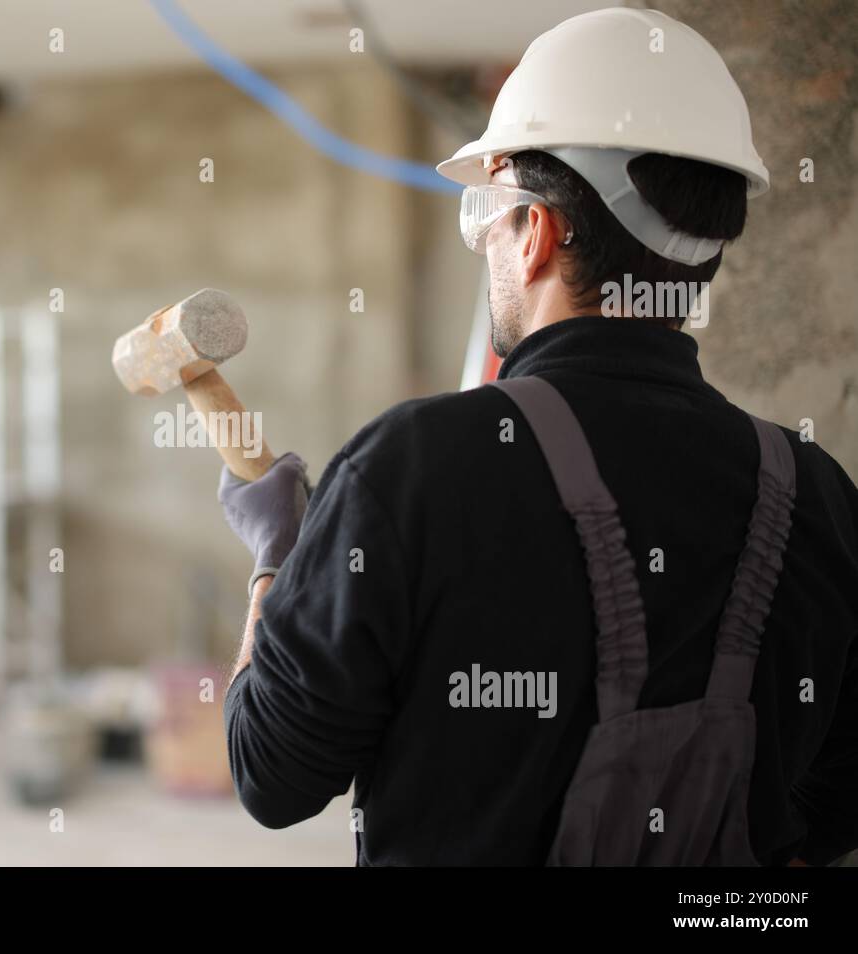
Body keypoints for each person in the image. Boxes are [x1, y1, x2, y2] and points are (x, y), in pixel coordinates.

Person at [217, 8, 858, 865]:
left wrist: (278, 559)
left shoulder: (410, 468)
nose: (486, 240)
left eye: (491, 213)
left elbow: (272, 775)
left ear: (539, 234)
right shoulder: (816, 489)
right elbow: (833, 806)